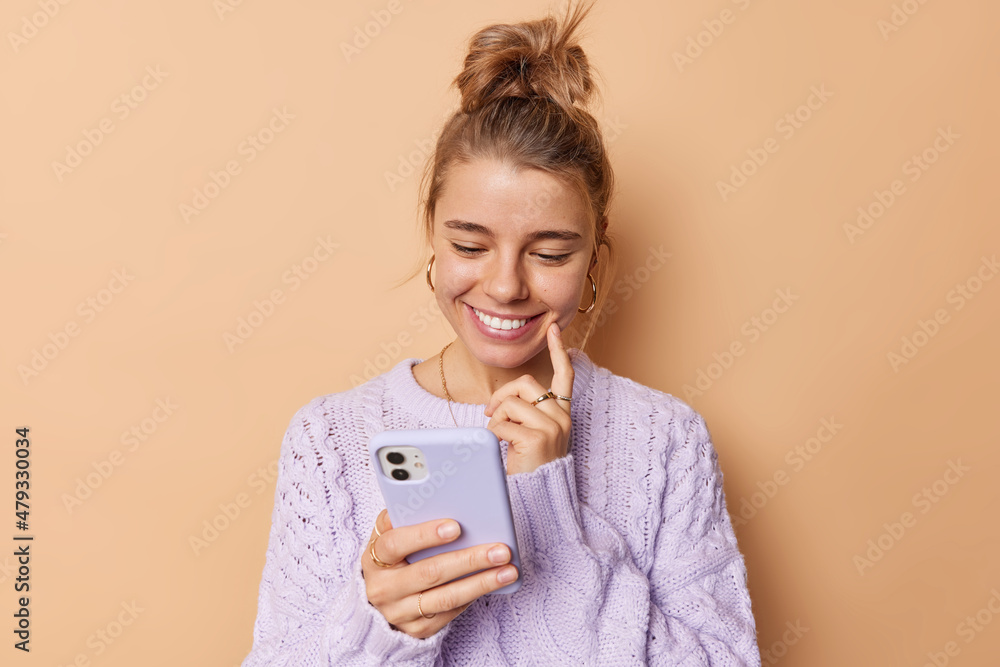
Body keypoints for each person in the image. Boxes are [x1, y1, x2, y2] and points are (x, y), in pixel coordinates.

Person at [241, 2, 760, 664]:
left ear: (595, 261)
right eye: (470, 244)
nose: (507, 285)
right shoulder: (328, 439)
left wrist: (556, 525)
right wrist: (384, 628)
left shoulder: (666, 440)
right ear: (432, 234)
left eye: (550, 253)